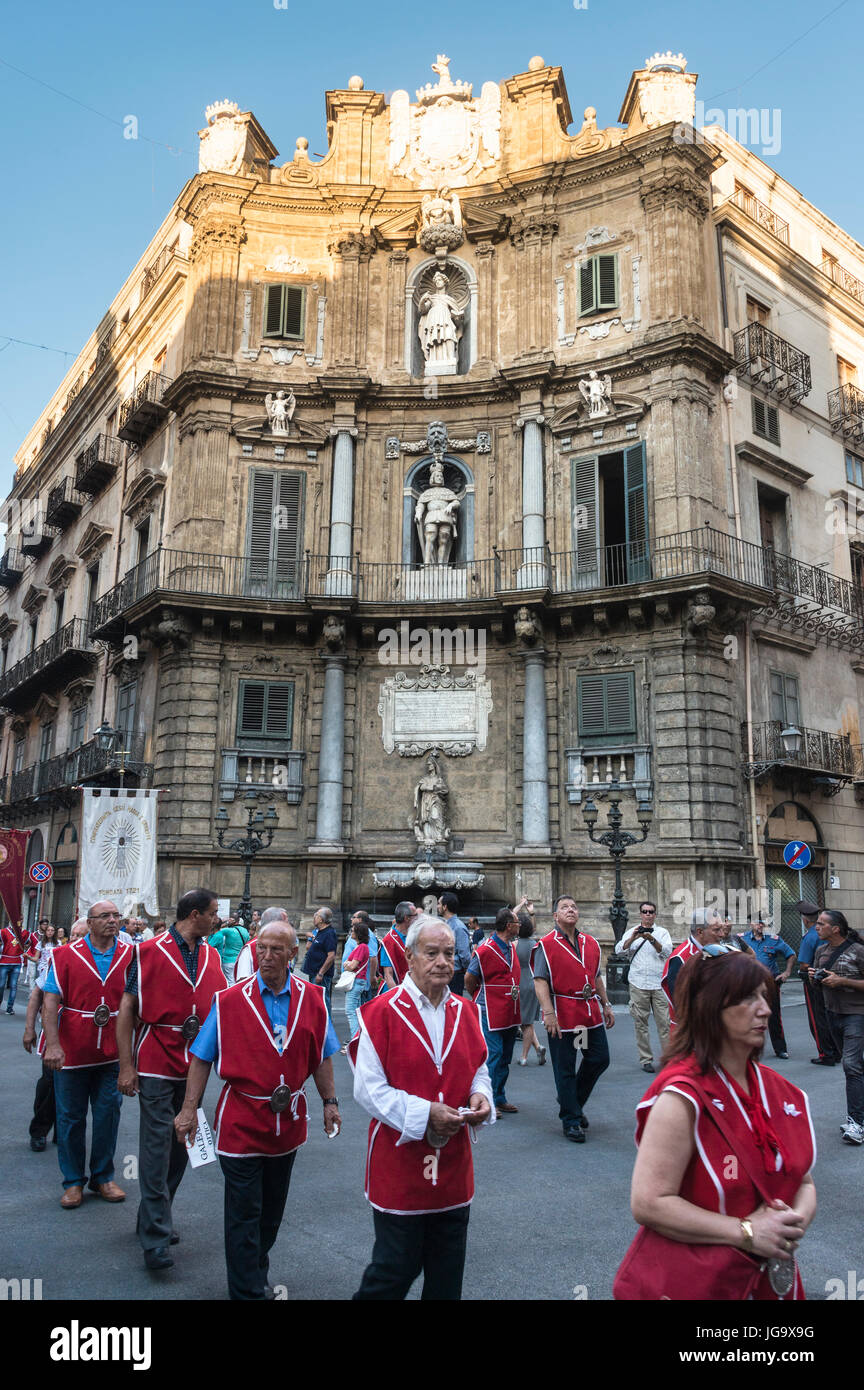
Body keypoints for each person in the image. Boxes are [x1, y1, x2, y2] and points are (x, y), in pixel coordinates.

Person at [616, 951, 816, 1301]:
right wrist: (748, 1232)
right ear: (710, 1009)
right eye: (746, 998)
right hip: (701, 1282)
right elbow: (649, 1203)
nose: (765, 1009)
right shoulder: (681, 1097)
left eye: (764, 996)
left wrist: (788, 1224)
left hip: (772, 1278)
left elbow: (805, 1181)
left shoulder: (784, 1093)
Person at [175, 921, 342, 1300]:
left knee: (270, 1212)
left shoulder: (313, 998)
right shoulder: (229, 1000)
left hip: (287, 1126)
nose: (267, 956)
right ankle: (248, 1290)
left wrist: (329, 1102)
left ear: (292, 954)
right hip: (242, 1121)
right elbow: (201, 1058)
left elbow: (322, 1055)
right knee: (244, 1211)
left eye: (276, 950)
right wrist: (188, 1111)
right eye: (261, 949)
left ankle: (255, 1268)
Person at [350, 915, 493, 1300]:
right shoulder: (380, 1012)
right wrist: (425, 1112)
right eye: (432, 953)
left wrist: (482, 1096)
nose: (443, 962)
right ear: (410, 957)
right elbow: (368, 1090)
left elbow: (478, 1068)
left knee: (447, 1278)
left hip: (453, 1166)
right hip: (399, 1165)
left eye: (449, 953)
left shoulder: (467, 1011)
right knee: (394, 1270)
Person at [117, 889, 226, 1270]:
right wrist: (126, 1065)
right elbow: (127, 1010)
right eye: (212, 913)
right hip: (155, 1058)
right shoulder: (146, 952)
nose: (217, 919)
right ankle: (156, 1238)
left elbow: (219, 1011)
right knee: (156, 1145)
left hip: (195, 1061)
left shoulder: (212, 955)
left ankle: (153, 1217)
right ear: (194, 914)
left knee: (182, 1141)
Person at [41, 900, 133, 1208]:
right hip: (72, 1052)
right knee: (70, 1118)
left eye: (115, 915)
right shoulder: (64, 955)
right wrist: (52, 1045)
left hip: (112, 1053)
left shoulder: (131, 955)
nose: (112, 920)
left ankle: (103, 1177)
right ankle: (73, 1181)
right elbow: (50, 1002)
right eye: (104, 916)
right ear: (89, 922)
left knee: (109, 1114)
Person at [531, 896, 614, 1143]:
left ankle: (571, 1101)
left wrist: (606, 1003)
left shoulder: (591, 943)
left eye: (574, 906)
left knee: (599, 1058)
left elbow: (597, 976)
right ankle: (571, 1120)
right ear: (555, 916)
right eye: (564, 907)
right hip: (563, 1014)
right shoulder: (545, 945)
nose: (571, 910)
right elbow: (539, 981)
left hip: (588, 1014)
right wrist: (548, 1013)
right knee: (565, 1067)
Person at [23, 920, 89, 1152]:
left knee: (74, 1088)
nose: (74, 940)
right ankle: (39, 1130)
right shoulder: (58, 957)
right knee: (49, 1084)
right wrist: (30, 1028)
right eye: (73, 935)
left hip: (81, 1037)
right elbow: (36, 996)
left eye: (81, 937)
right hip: (55, 1031)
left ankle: (63, 1131)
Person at [805, 909, 864, 1144]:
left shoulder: (858, 951)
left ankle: (856, 1123)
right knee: (855, 1066)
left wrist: (843, 981)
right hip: (833, 1014)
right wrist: (815, 978)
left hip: (856, 1014)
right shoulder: (821, 950)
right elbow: (820, 986)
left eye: (821, 924)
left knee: (851, 1066)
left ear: (835, 929)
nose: (816, 927)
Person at [465, 907, 521, 1116]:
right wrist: (480, 997)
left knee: (506, 1055)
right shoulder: (485, 950)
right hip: (489, 1007)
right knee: (494, 1053)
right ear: (509, 926)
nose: (519, 926)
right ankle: (487, 1099)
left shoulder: (511, 948)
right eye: (517, 922)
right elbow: (469, 979)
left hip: (509, 1009)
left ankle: (499, 1096)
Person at [618, 901, 672, 1073]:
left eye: (651, 912)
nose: (648, 915)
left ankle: (668, 1058)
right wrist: (634, 937)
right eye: (645, 912)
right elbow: (619, 950)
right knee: (640, 1023)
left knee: (664, 1023)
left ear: (655, 914)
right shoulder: (632, 931)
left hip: (658, 983)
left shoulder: (662, 933)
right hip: (638, 982)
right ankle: (646, 1059)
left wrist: (652, 939)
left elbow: (668, 952)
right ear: (640, 914)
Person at [740, 919, 796, 1059]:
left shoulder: (774, 940)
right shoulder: (741, 939)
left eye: (762, 923)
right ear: (750, 923)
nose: (759, 925)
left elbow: (791, 954)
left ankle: (780, 1049)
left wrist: (787, 972)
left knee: (774, 1016)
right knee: (747, 1016)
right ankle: (747, 1049)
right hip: (749, 984)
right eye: (756, 922)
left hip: (770, 983)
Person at [661, 908, 725, 1023]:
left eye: (722, 928)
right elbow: (680, 1004)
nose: (722, 934)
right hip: (690, 1031)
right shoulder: (680, 958)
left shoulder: (716, 950)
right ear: (700, 932)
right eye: (716, 930)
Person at [795, 900, 839, 1065]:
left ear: (805, 920)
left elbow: (805, 964)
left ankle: (825, 1054)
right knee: (830, 1015)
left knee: (817, 1017)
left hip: (814, 981)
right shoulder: (829, 933)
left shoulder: (810, 937)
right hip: (831, 978)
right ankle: (836, 1051)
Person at [515, 913, 546, 1066]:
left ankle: (524, 1057)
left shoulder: (514, 944)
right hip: (533, 981)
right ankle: (538, 1047)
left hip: (519, 981)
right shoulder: (535, 944)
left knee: (526, 1022)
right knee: (526, 1020)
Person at [340, 919, 370, 1052]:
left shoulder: (361, 947)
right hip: (359, 981)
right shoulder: (363, 947)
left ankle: (355, 1043)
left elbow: (351, 965)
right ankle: (359, 1041)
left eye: (353, 930)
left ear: (358, 933)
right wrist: (348, 964)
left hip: (356, 981)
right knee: (356, 1012)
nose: (351, 932)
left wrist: (347, 965)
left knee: (350, 1011)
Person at [302, 907, 338, 1012]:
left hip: (321, 975)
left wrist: (321, 973)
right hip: (314, 972)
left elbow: (331, 955)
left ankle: (327, 1026)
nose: (314, 917)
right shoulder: (320, 932)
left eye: (316, 915)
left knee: (323, 1002)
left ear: (321, 919)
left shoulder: (329, 933)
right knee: (315, 1001)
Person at [437, 893, 471, 997]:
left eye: (439, 903)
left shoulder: (458, 927)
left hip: (455, 974)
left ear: (445, 906)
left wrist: (466, 972)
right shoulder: (447, 924)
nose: (437, 906)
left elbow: (465, 955)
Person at [0, 920, 38, 1013]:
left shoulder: (24, 934)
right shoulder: (4, 932)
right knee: (1, 985)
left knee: (13, 986)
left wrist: (26, 949)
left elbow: (31, 943)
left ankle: (9, 1007)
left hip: (17, 962)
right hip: (4, 962)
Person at [380, 901, 418, 988]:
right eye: (415, 915)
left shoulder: (414, 935)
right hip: (397, 988)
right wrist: (398, 996)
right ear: (407, 918)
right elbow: (388, 975)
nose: (417, 918)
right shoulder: (389, 940)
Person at [209, 914, 250, 984]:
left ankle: (233, 994)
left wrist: (225, 923)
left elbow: (218, 930)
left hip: (228, 961)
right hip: (240, 960)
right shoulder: (245, 931)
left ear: (235, 921)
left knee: (230, 982)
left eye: (230, 920)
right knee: (238, 981)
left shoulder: (228, 930)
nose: (228, 921)